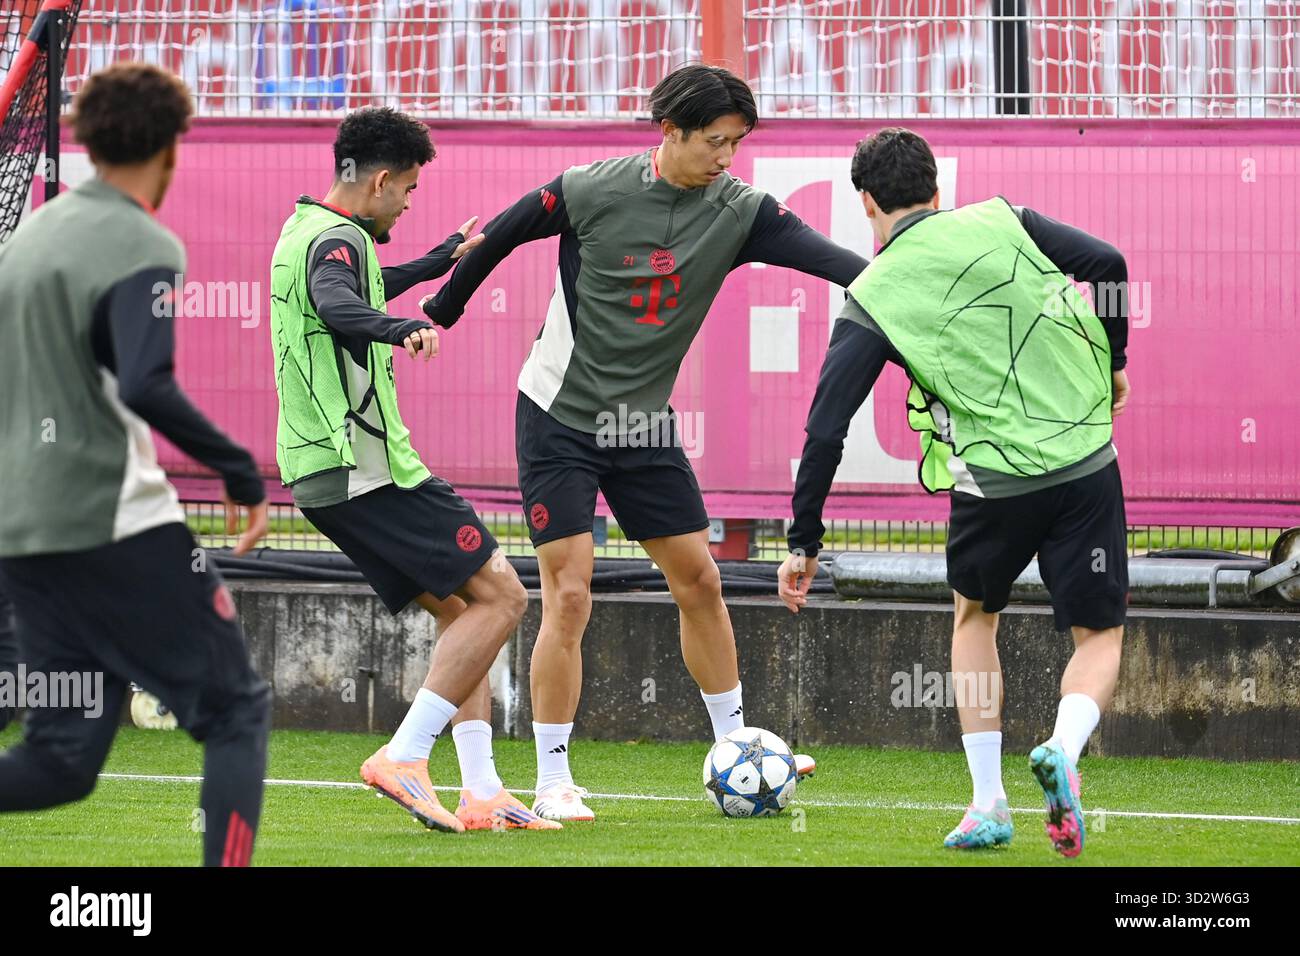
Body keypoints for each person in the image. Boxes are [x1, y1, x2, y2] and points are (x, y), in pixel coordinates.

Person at [421, 64, 866, 821]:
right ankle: (554, 778)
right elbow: (497, 236)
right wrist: (442, 307)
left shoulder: (742, 210)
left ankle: (736, 746)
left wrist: (909, 302)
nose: (726, 157)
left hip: (642, 425)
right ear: (670, 131)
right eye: (714, 142)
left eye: (736, 144)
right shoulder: (591, 190)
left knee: (700, 581)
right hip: (558, 414)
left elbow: (841, 265)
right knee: (568, 596)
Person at [778, 127, 1130, 858]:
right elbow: (1109, 262)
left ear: (866, 203)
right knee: (1098, 635)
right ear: (938, 192)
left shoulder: (872, 293)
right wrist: (1115, 363)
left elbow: (824, 428)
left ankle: (987, 802)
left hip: (991, 484)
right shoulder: (1001, 217)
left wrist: (803, 539)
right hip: (1084, 461)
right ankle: (1064, 749)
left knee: (975, 617)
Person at [0, 63, 272, 866]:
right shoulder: (143, 240)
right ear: (170, 149)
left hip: (24, 535)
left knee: (62, 758)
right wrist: (239, 470)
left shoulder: (29, 241)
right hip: (113, 522)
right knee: (235, 710)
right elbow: (146, 380)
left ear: (85, 138)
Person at [269, 106, 555, 833]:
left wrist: (440, 258)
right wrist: (402, 329)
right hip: (364, 466)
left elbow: (353, 284)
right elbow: (339, 304)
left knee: (465, 616)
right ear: (384, 179)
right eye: (410, 190)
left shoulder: (310, 231)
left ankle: (483, 789)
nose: (407, 202)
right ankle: (404, 753)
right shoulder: (337, 241)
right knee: (504, 597)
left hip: (325, 475)